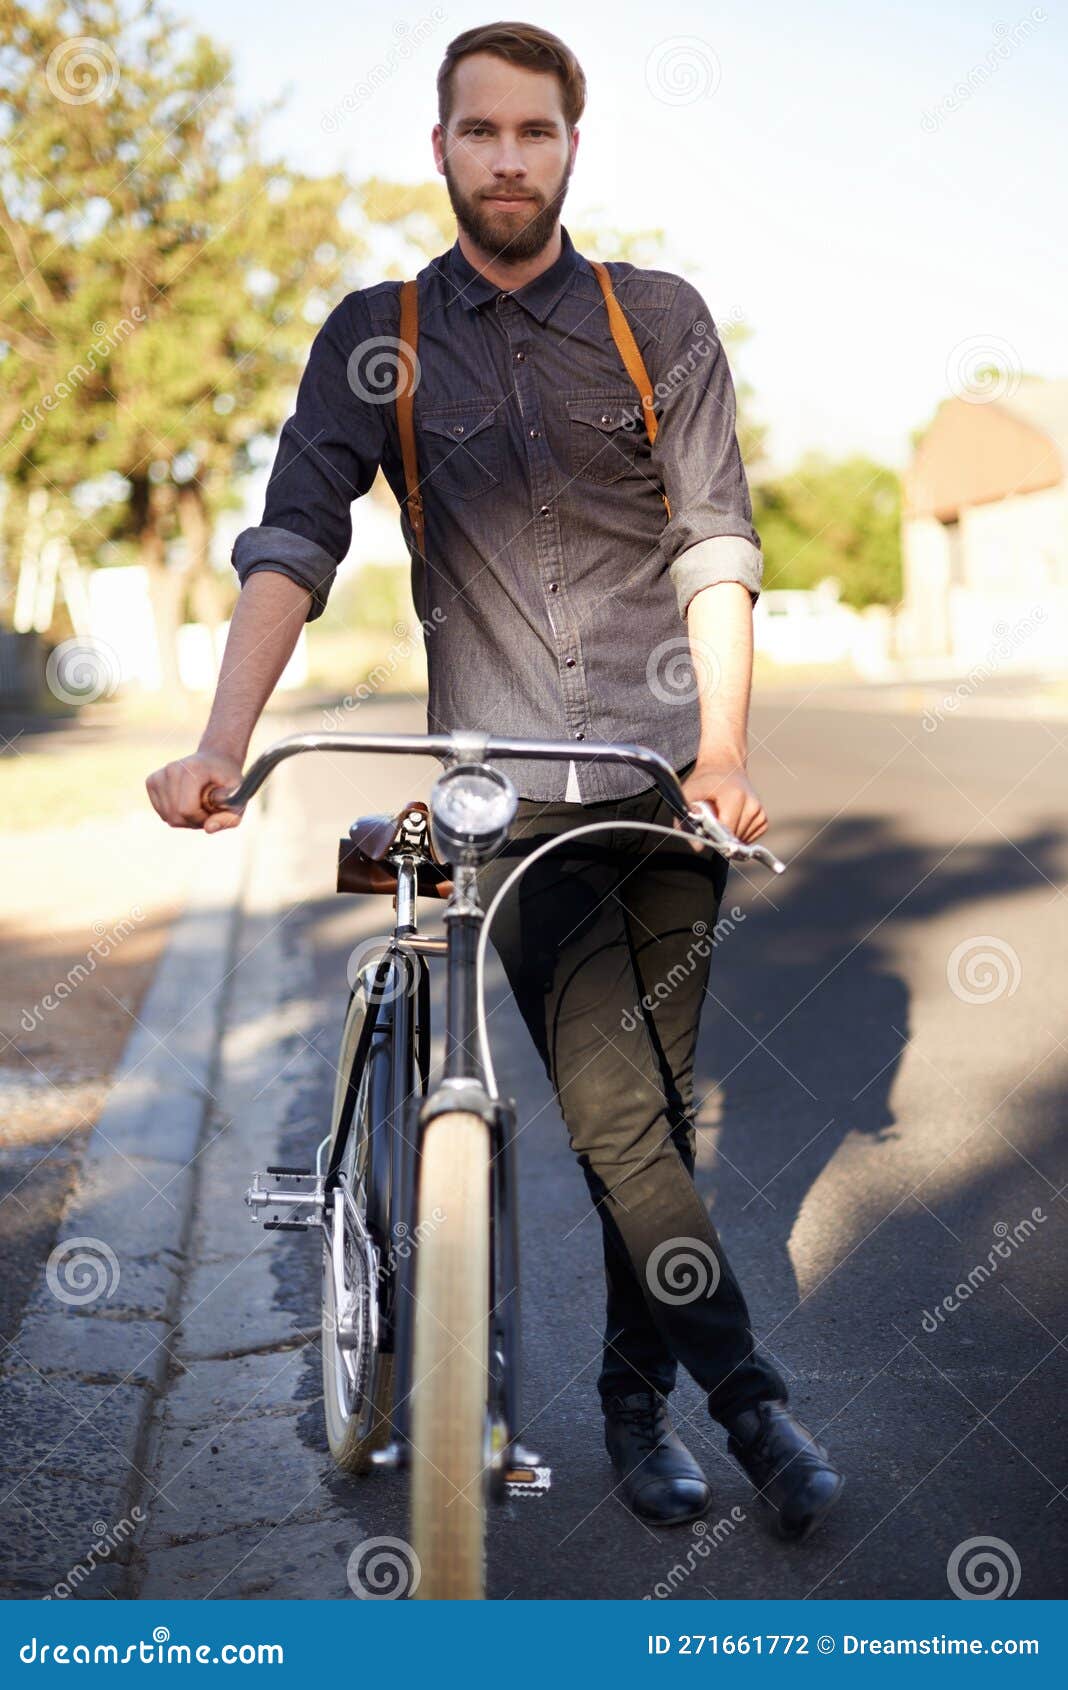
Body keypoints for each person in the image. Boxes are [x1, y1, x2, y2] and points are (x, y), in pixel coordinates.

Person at [147, 21, 843, 1542]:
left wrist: (722, 750)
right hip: (503, 798)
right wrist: (217, 737)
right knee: (619, 1108)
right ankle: (753, 1406)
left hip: (660, 788)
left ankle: (626, 1411)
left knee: (640, 1119)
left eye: (536, 132)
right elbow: (294, 547)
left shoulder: (656, 316)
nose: (509, 157)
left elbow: (716, 548)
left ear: (572, 147)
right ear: (443, 147)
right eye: (482, 132)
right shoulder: (374, 330)